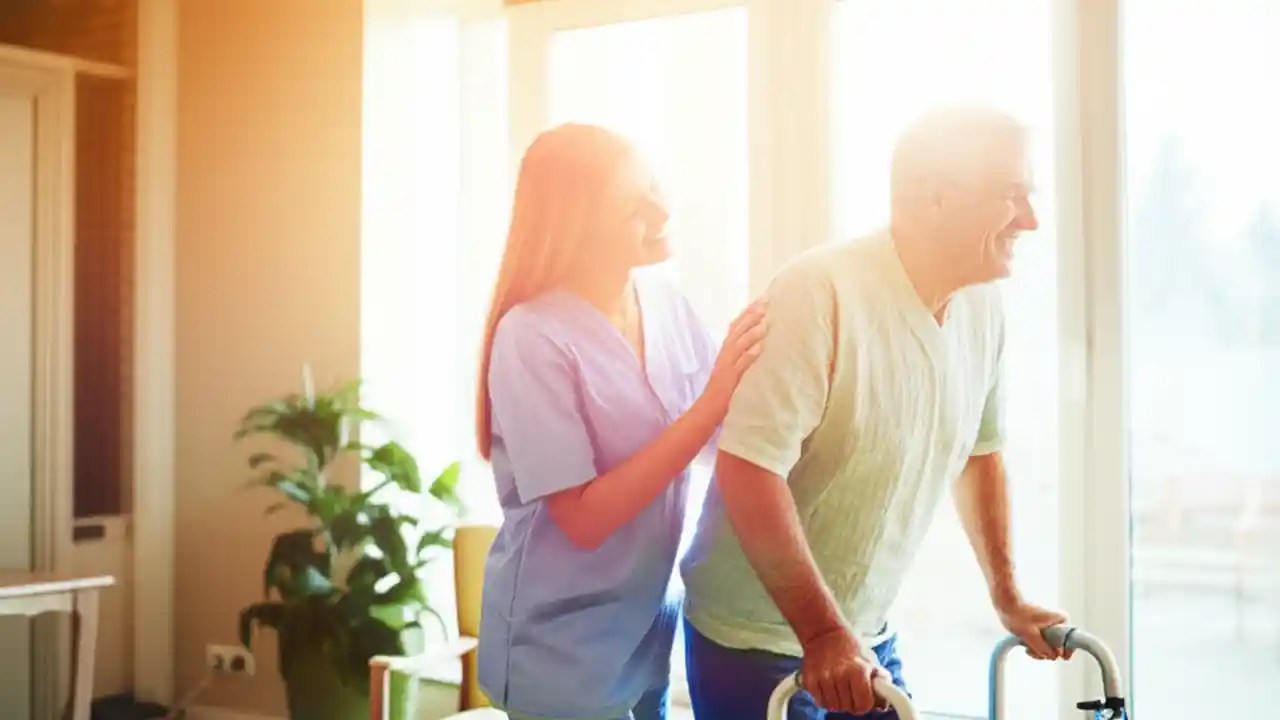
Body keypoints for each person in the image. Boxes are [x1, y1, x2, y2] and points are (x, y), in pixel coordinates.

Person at [679, 106, 1070, 719]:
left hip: (864, 630)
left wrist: (1009, 596)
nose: (1032, 220)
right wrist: (824, 634)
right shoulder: (819, 292)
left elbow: (980, 454)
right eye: (1009, 195)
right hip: (755, 637)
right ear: (934, 199)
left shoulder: (981, 306)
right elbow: (749, 471)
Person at [475, 123, 767, 720]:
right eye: (634, 206)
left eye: (655, 187)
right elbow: (584, 517)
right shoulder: (531, 337)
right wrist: (710, 405)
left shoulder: (666, 303)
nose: (662, 211)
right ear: (577, 227)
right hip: (562, 650)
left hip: (649, 628)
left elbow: (725, 432)